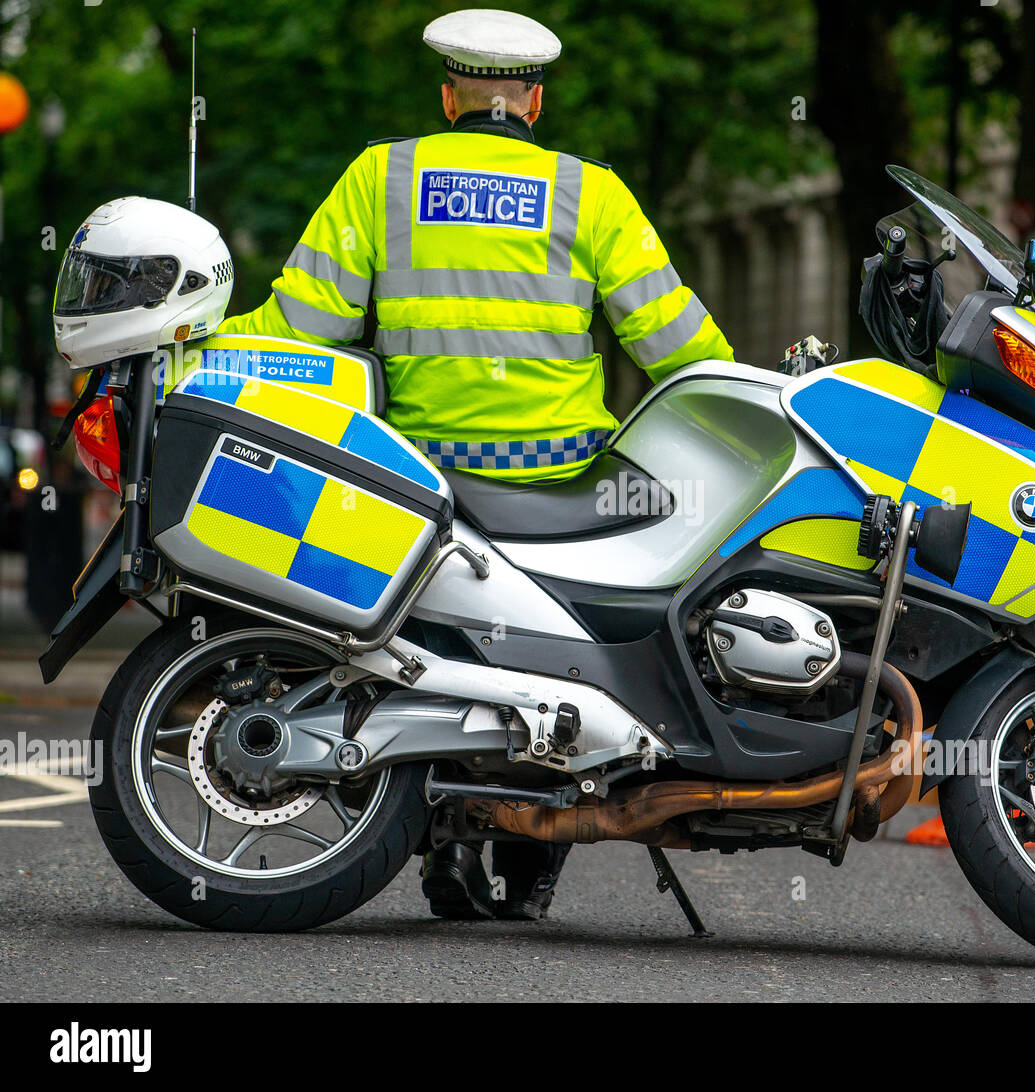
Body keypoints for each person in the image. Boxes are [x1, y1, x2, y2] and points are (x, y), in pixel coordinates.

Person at [219, 8, 735, 921]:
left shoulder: (383, 179)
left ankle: (439, 848)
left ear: (449, 96)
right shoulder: (592, 194)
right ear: (532, 102)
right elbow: (682, 351)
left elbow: (298, 328)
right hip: (567, 480)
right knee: (564, 668)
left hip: (428, 477)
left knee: (427, 656)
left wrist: (197, 349)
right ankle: (536, 861)